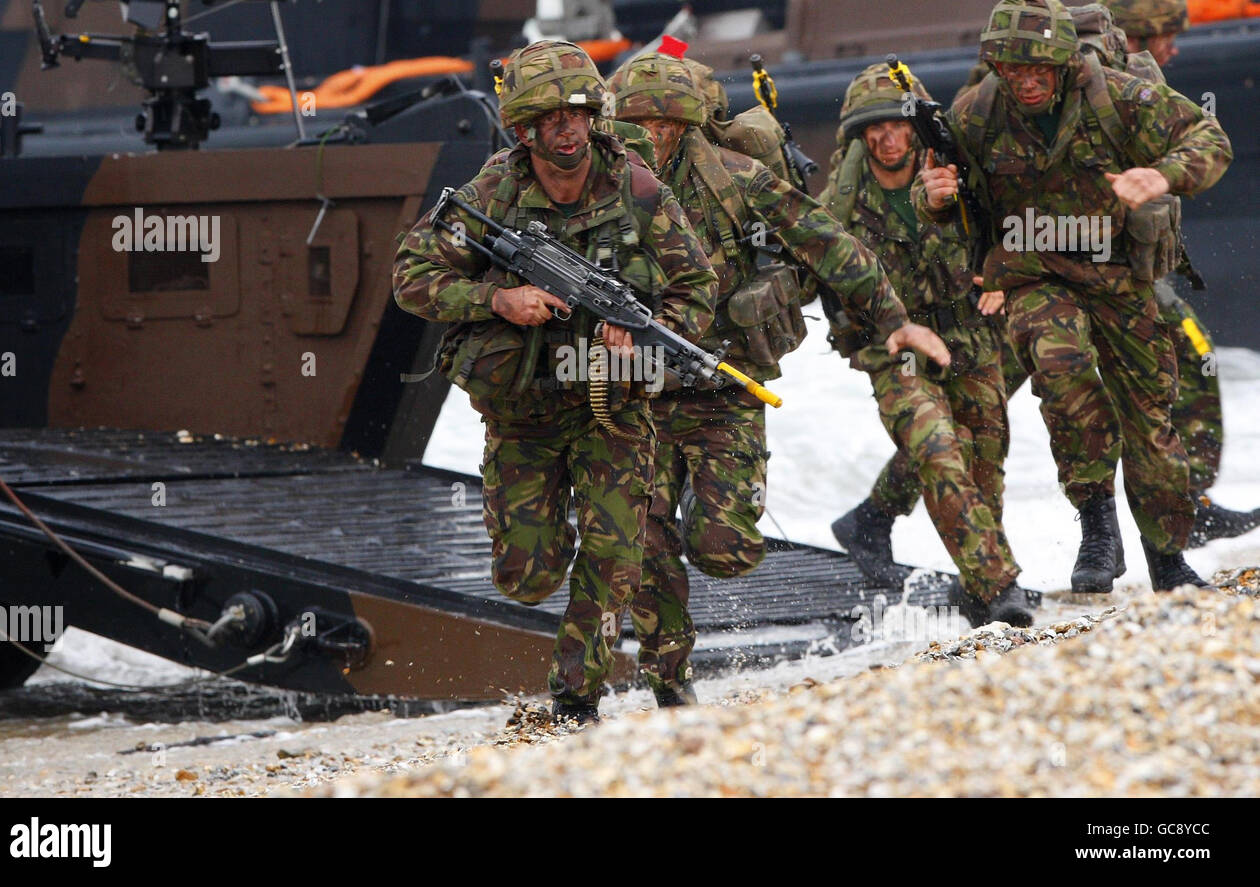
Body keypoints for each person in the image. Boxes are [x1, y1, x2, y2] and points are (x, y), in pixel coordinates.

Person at [605, 48, 950, 704]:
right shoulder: (603, 186)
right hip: (641, 391)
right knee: (645, 540)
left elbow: (830, 243)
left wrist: (893, 318)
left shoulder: (736, 178)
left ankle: (696, 518)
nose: (646, 137)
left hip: (725, 383)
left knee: (724, 545)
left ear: (683, 125)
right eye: (635, 124)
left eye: (660, 124)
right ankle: (669, 683)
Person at [392, 40, 717, 724]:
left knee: (616, 555)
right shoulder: (493, 192)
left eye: (577, 113)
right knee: (526, 574)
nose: (568, 129)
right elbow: (411, 277)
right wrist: (497, 301)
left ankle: (578, 701)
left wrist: (647, 330)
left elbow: (697, 285)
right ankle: (558, 557)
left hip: (613, 408)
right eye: (551, 119)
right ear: (524, 130)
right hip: (523, 412)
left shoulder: (639, 188)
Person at [915, 0, 1232, 593]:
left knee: (1148, 416)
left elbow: (1208, 138)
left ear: (1064, 62)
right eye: (1013, 70)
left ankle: (1167, 558)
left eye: (1039, 69)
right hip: (1034, 270)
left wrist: (1161, 173)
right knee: (1061, 369)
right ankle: (1097, 522)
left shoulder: (1119, 96)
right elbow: (947, 199)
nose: (1027, 82)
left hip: (1117, 272)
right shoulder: (977, 113)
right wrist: (930, 196)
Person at [821, 63, 1028, 626]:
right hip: (895, 347)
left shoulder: (956, 171)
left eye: (898, 125)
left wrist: (1001, 268)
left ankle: (967, 575)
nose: (889, 138)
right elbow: (814, 267)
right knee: (937, 447)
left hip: (969, 336)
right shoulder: (838, 203)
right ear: (860, 135)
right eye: (875, 129)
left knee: (983, 464)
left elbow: (1014, 224)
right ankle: (1000, 587)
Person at [1099, 0, 1260, 545]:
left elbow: (1205, 140)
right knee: (980, 392)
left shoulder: (1135, 83)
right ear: (1138, 35)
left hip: (1117, 266)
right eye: (1168, 34)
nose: (1175, 48)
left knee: (1189, 355)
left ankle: (1187, 507)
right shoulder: (1082, 81)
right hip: (1054, 268)